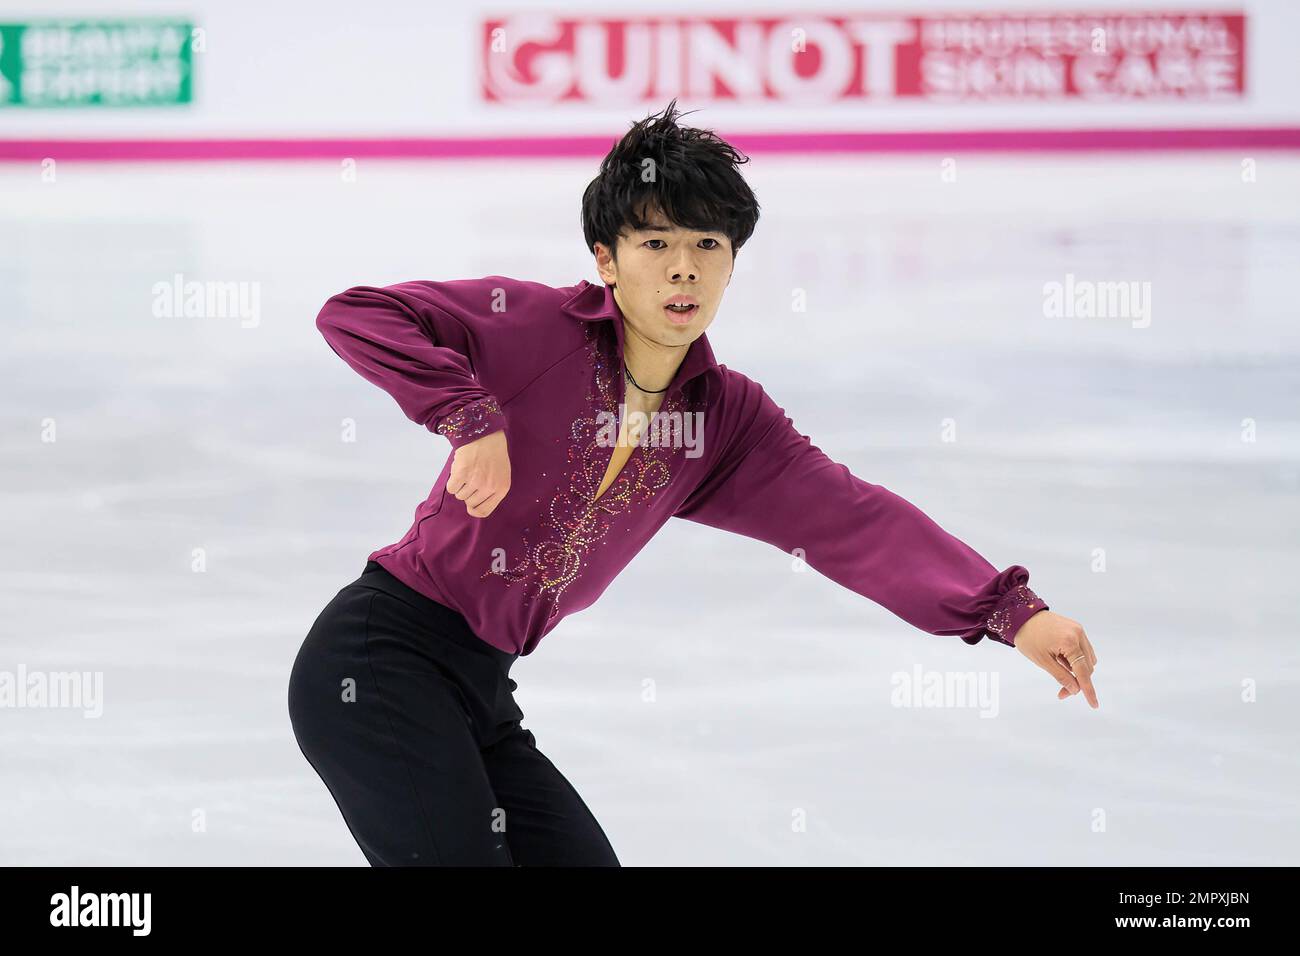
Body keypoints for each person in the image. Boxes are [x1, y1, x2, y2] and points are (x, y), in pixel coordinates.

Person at [287, 99, 1100, 867]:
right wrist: (469, 416)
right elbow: (358, 313)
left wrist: (1007, 611)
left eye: (708, 246)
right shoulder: (535, 328)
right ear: (606, 259)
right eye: (655, 245)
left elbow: (853, 519)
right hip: (378, 662)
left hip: (482, 691)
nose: (684, 271)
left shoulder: (722, 421)